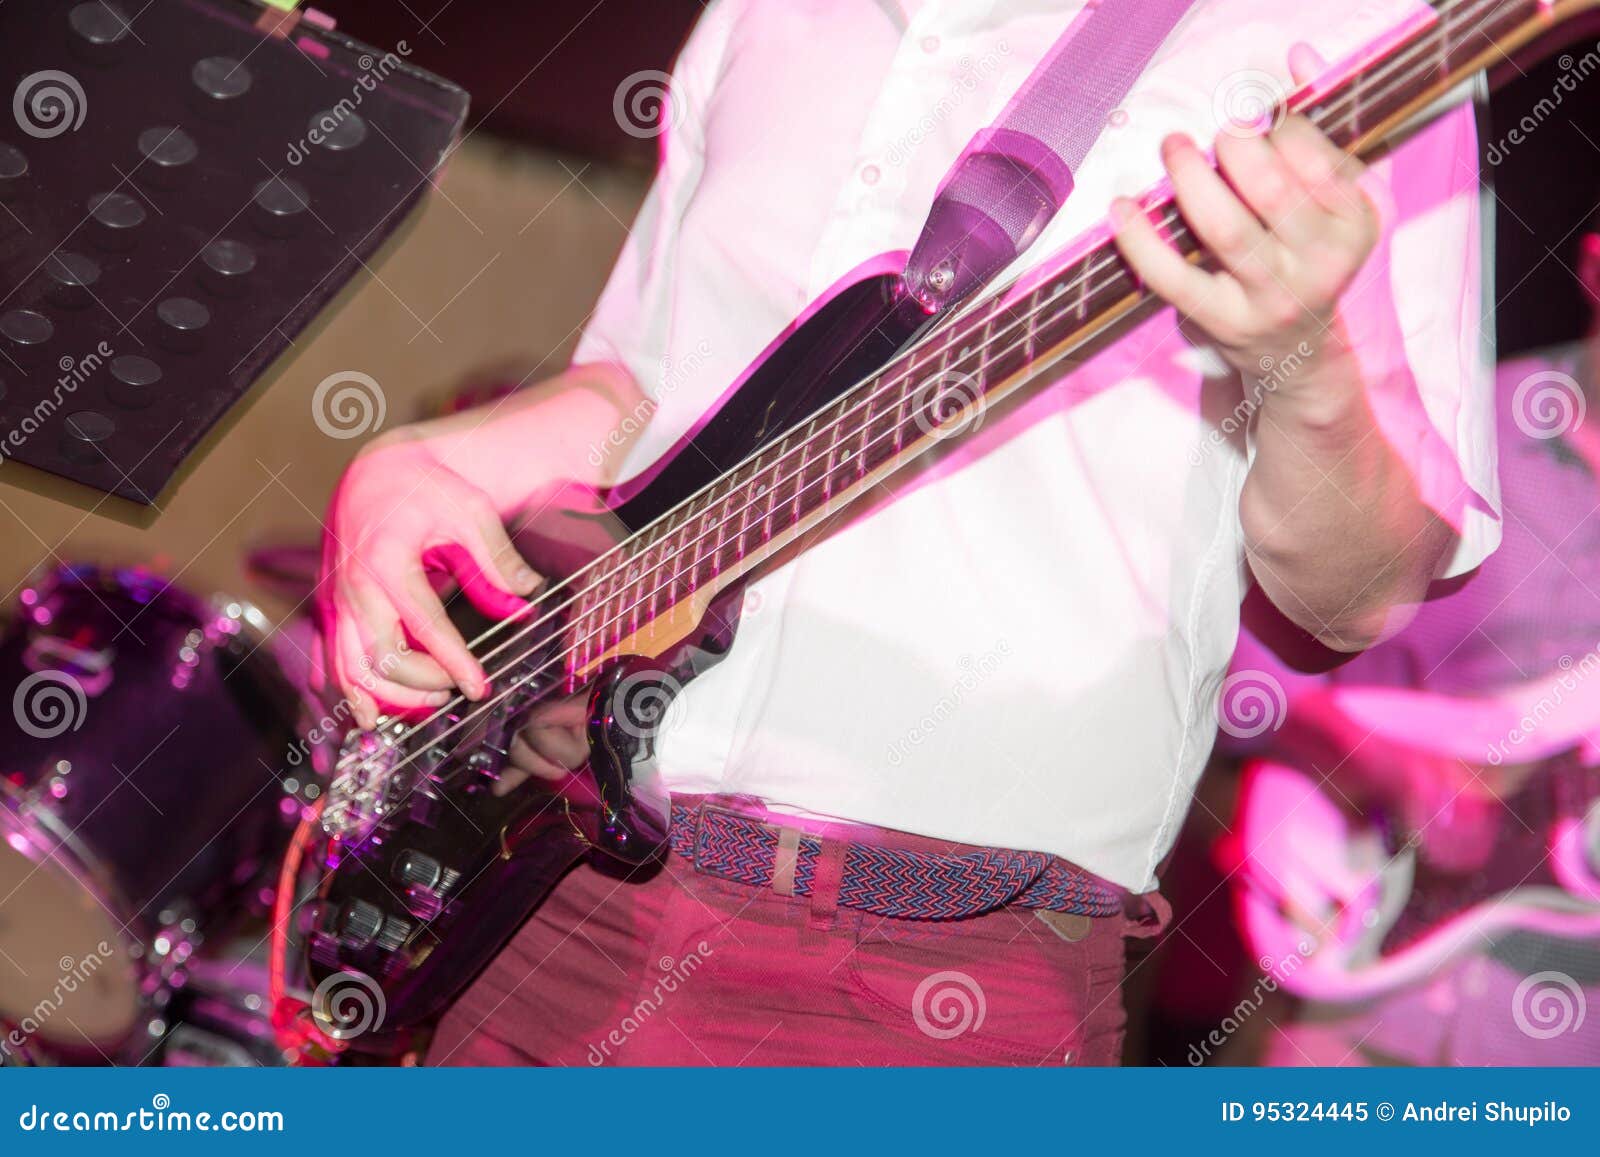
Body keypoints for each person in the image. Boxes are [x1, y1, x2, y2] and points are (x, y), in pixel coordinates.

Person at [314, 0, 1497, 1065]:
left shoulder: (1364, 33)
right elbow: (642, 392)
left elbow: (1363, 592)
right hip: (558, 889)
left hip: (936, 982)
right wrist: (417, 462)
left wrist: (1312, 368)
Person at [1224, 217, 1600, 1068]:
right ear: (1593, 260)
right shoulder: (1451, 438)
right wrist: (1364, 769)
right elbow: (1255, 681)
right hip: (1370, 979)